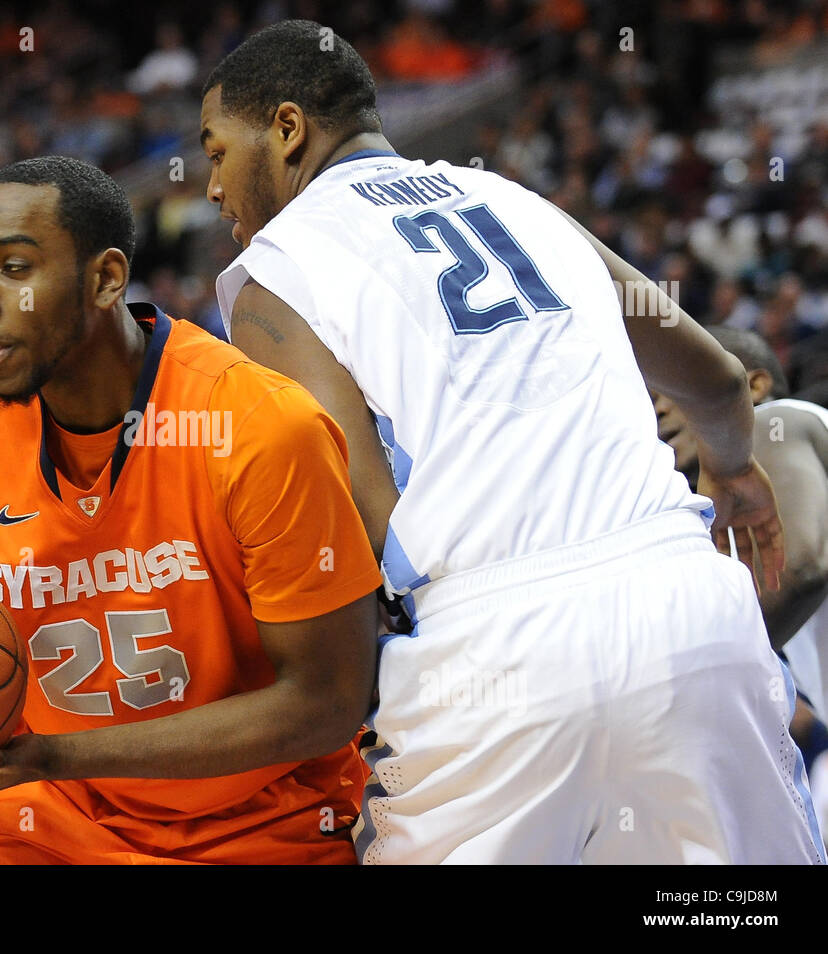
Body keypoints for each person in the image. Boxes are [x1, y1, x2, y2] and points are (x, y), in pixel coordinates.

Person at [198, 19, 823, 864]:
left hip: (493, 653)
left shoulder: (274, 270)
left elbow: (364, 507)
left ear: (286, 129)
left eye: (213, 151)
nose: (208, 186)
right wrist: (735, 469)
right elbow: (711, 376)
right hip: (686, 609)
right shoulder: (518, 199)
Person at [0, 156, 382, 864]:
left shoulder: (257, 425)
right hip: (35, 821)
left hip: (257, 818)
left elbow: (326, 703)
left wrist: (53, 754)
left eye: (15, 268)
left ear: (105, 279)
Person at [656, 326, 828, 716]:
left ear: (753, 387)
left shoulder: (773, 421)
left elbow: (798, 569)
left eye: (668, 389)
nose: (659, 409)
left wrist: (684, 692)